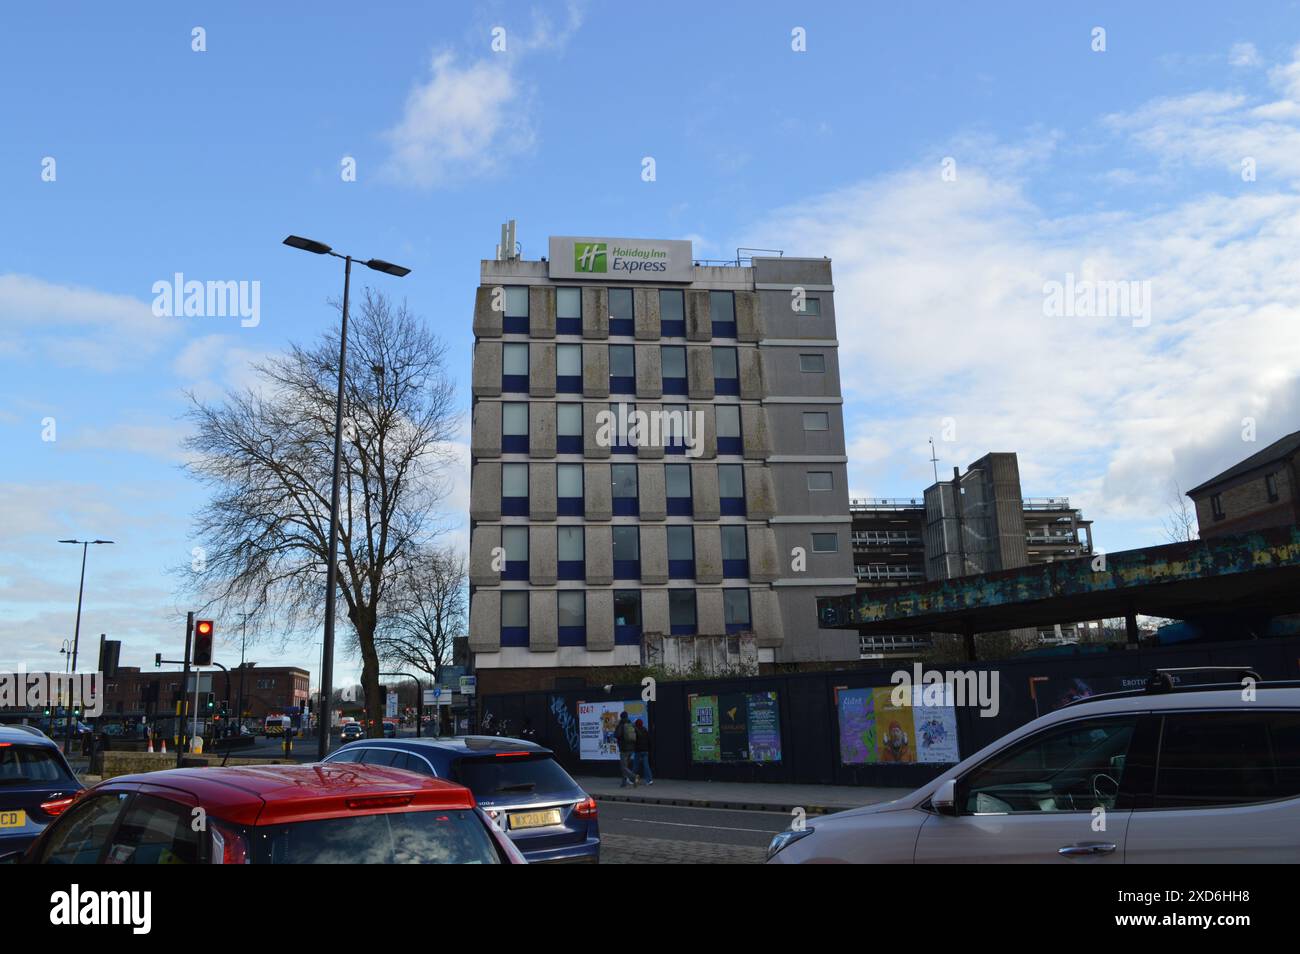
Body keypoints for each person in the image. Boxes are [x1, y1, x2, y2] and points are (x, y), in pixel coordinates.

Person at [616, 711, 637, 787]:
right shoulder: (631, 724)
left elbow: (617, 735)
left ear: (621, 717)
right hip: (631, 749)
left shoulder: (621, 725)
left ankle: (633, 777)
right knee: (626, 766)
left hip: (624, 749)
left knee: (623, 767)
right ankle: (623, 783)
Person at [632, 718, 652, 785]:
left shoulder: (635, 730)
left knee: (635, 766)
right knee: (646, 766)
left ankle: (632, 779)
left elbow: (634, 741)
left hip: (638, 750)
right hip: (645, 750)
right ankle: (649, 780)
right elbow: (649, 740)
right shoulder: (645, 730)